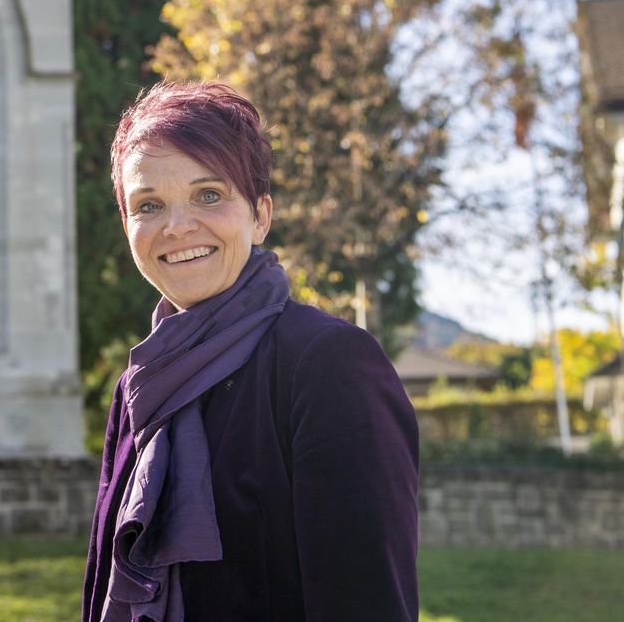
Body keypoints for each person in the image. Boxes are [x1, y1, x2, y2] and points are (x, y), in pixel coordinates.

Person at [82, 82, 419, 622]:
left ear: (260, 214)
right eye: (149, 205)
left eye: (209, 194)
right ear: (128, 227)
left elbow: (366, 600)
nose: (178, 226)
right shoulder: (138, 387)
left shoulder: (327, 363)